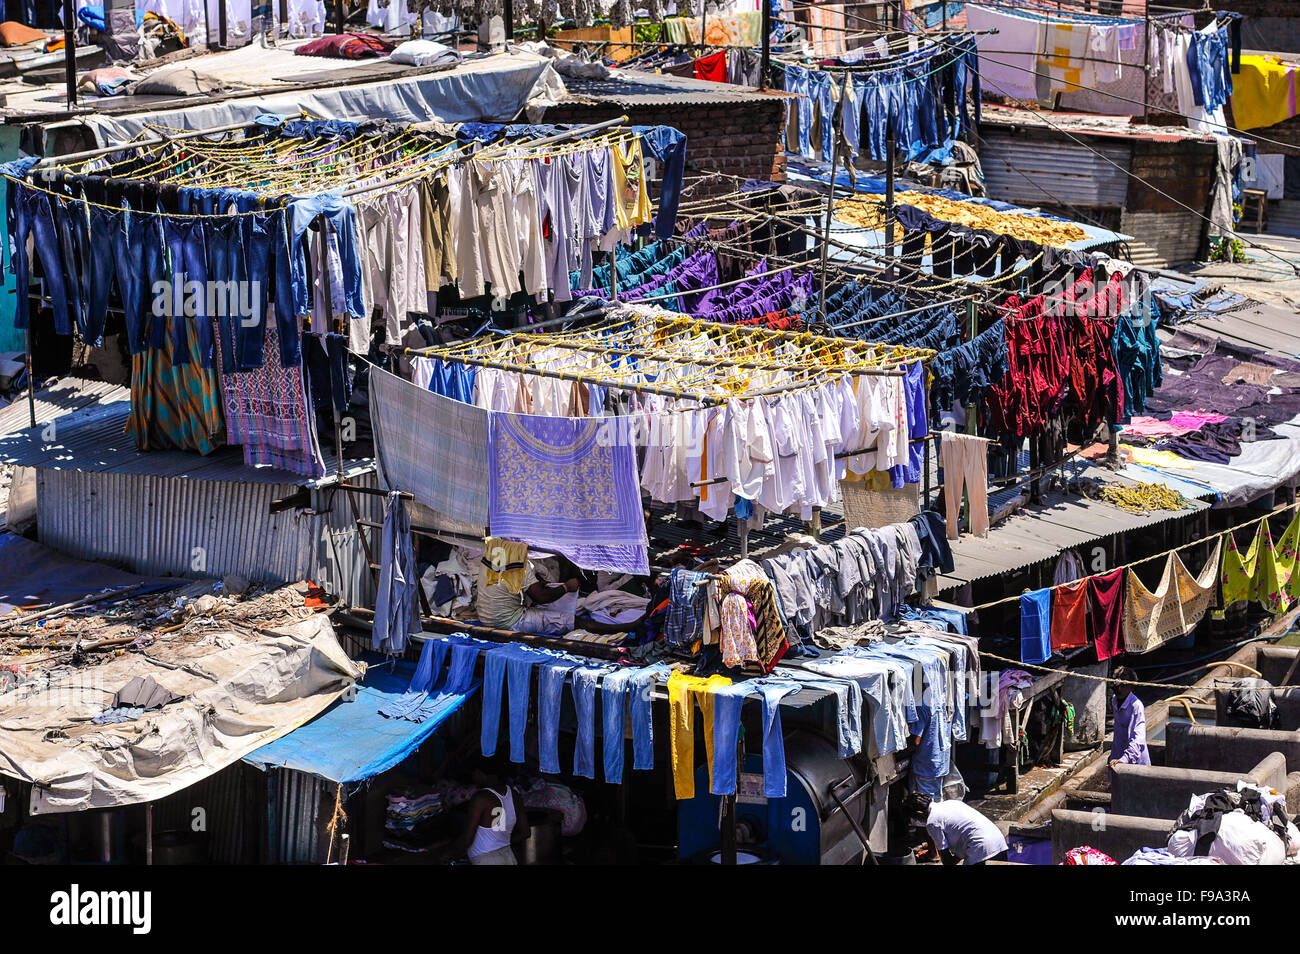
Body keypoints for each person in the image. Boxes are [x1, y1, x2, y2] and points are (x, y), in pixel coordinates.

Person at [476, 553, 579, 635]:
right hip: (509, 622)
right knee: (570, 620)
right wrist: (567, 587)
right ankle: (595, 628)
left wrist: (536, 585)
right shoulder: (518, 560)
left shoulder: (492, 553)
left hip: (485, 617)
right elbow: (541, 597)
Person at [438, 778, 530, 865]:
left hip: (486, 860)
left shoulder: (481, 798)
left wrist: (447, 854)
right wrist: (501, 844)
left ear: (481, 773)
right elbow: (525, 832)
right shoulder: (514, 795)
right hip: (508, 856)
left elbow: (467, 839)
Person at [905, 791, 1008, 865]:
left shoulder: (932, 822)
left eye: (915, 818)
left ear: (919, 813)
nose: (918, 822)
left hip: (981, 848)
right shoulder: (951, 803)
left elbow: (946, 858)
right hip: (998, 841)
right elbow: (965, 835)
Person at [1109, 665, 1151, 771]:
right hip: (1118, 754)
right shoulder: (1114, 700)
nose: (1118, 688)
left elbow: (1138, 737)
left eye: (1123, 685)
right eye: (1117, 685)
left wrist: (1125, 758)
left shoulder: (1136, 706)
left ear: (1131, 687)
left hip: (1135, 760)